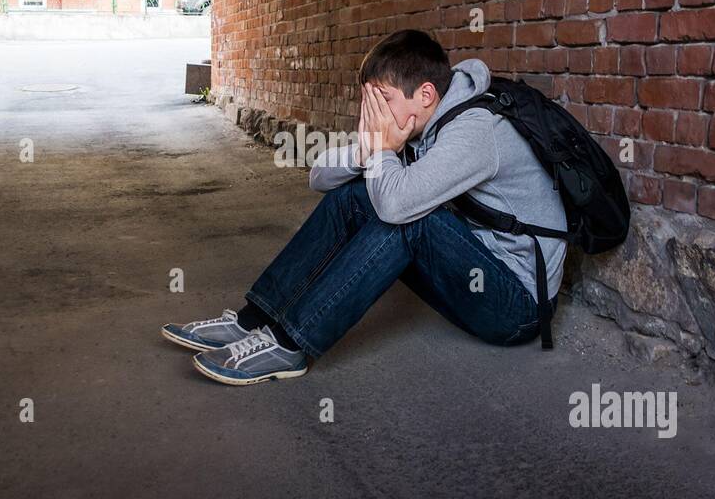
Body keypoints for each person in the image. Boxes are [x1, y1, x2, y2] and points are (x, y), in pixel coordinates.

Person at [161, 28, 569, 385]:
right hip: (473, 265)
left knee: (405, 219)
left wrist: (382, 152)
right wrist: (369, 149)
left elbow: (395, 208)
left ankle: (290, 345)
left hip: (516, 307)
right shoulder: (418, 118)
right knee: (355, 196)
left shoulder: (475, 132)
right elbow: (319, 177)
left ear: (426, 93)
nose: (374, 113)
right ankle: (253, 320)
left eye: (381, 100)